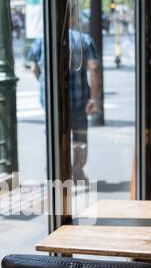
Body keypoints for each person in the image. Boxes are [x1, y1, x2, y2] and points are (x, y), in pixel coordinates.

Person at [28, 28, 98, 182]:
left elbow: (33, 68)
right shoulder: (84, 39)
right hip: (79, 100)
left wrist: (44, 83)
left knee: (54, 136)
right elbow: (93, 68)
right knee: (79, 137)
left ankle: (54, 172)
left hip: (52, 102)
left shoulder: (41, 40)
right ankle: (77, 171)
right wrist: (93, 99)